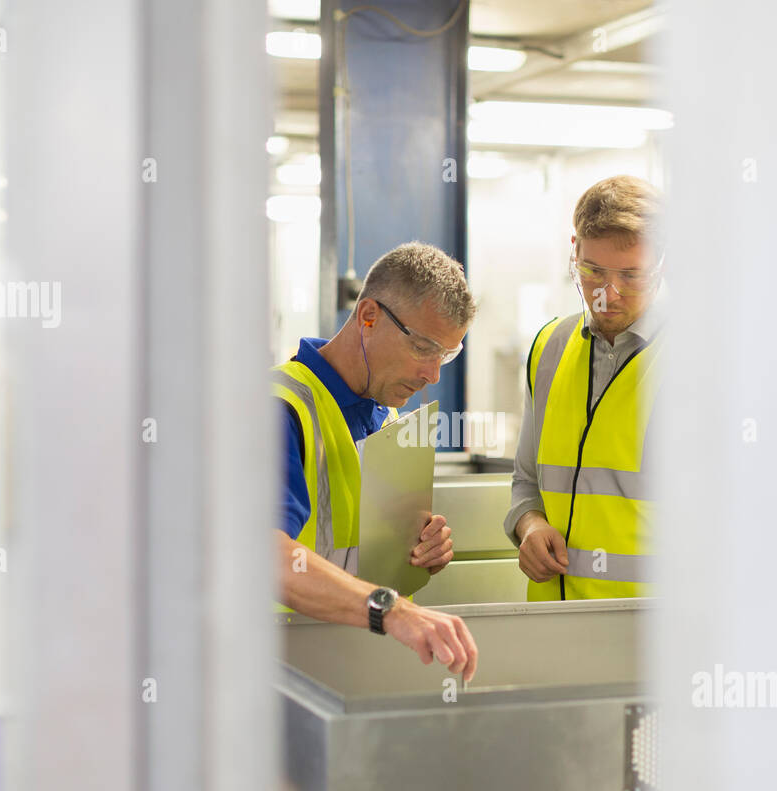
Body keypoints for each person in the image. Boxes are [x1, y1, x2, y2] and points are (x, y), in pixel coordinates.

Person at [274, 241, 478, 681]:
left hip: (347, 662)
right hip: (279, 667)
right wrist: (392, 610)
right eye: (423, 348)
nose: (433, 375)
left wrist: (422, 547)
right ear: (368, 317)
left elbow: (356, 549)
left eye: (446, 355)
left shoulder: (387, 416)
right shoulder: (281, 409)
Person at [504, 175, 664, 601]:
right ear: (573, 250)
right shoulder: (550, 348)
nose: (608, 294)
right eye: (593, 271)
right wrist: (531, 525)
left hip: (647, 637)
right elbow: (527, 481)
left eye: (632, 275)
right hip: (553, 624)